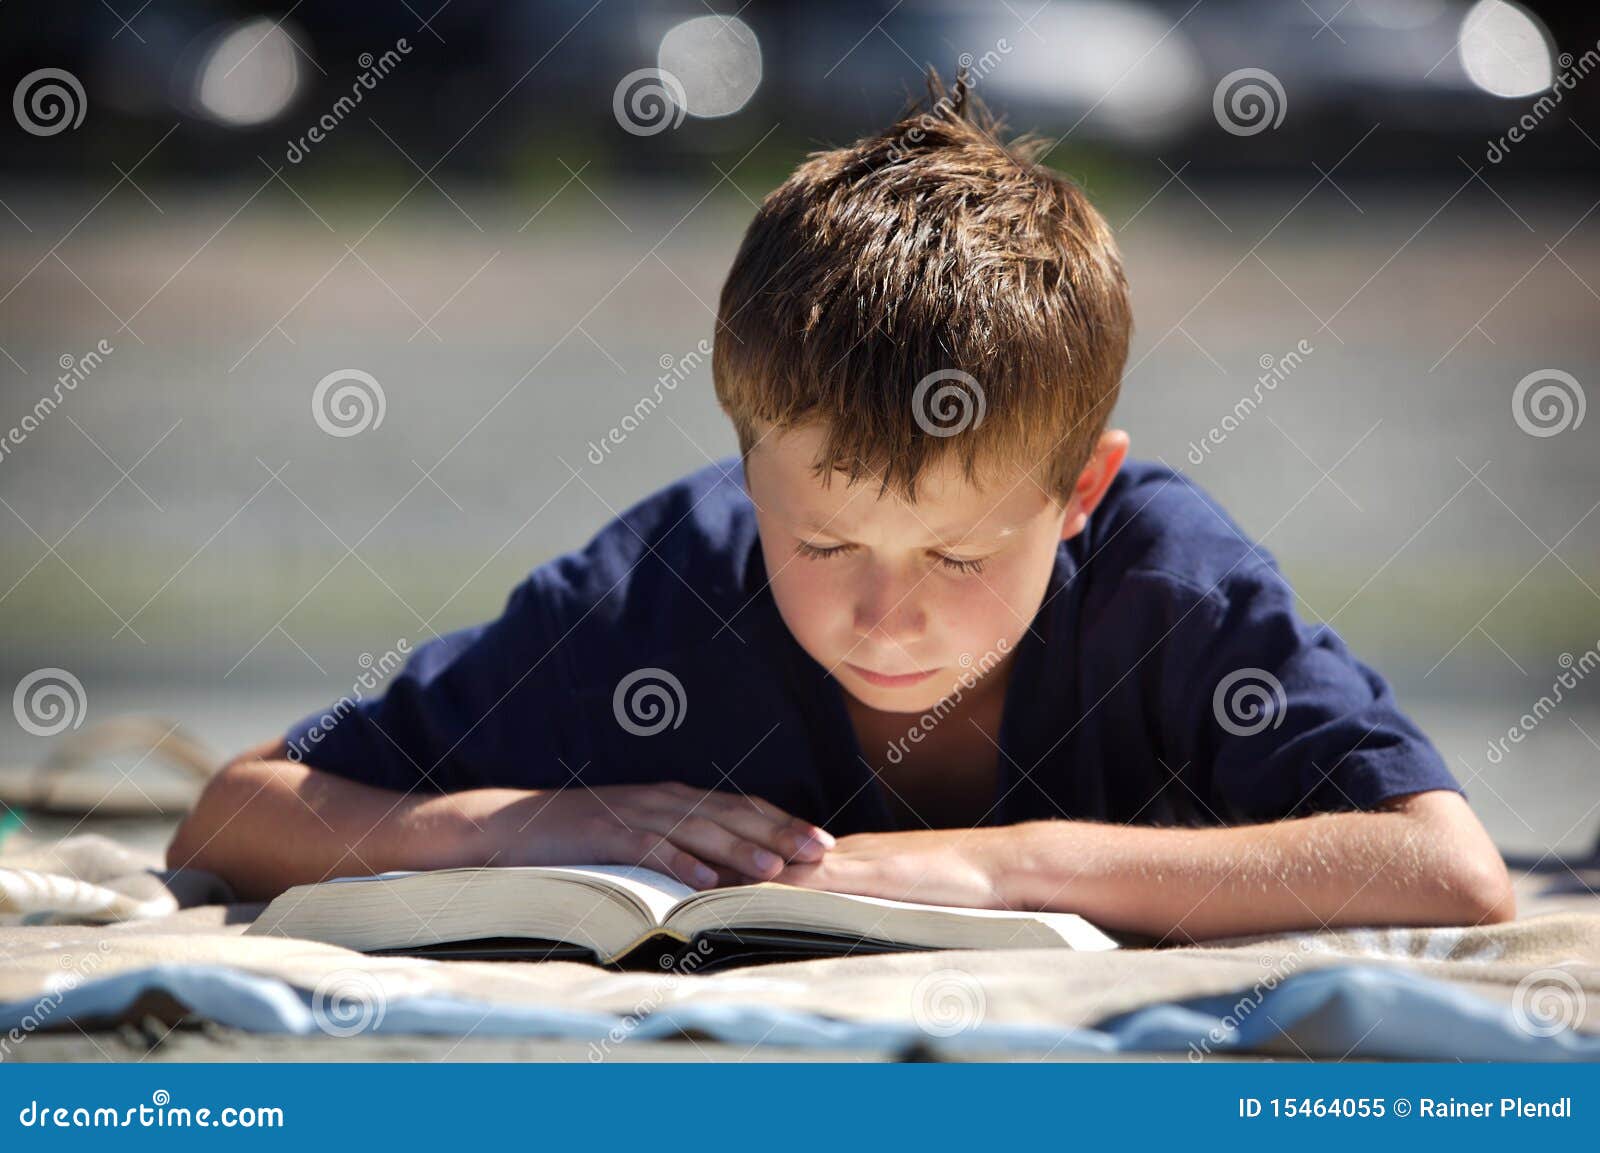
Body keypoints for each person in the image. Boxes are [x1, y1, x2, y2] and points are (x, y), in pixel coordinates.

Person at [170, 75, 1513, 940]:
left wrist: (1002, 868)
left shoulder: (1167, 585)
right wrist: (524, 823)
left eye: (959, 549)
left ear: (1078, 493)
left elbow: (1446, 866)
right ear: (751, 471)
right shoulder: (663, 589)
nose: (888, 612)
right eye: (821, 541)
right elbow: (238, 814)